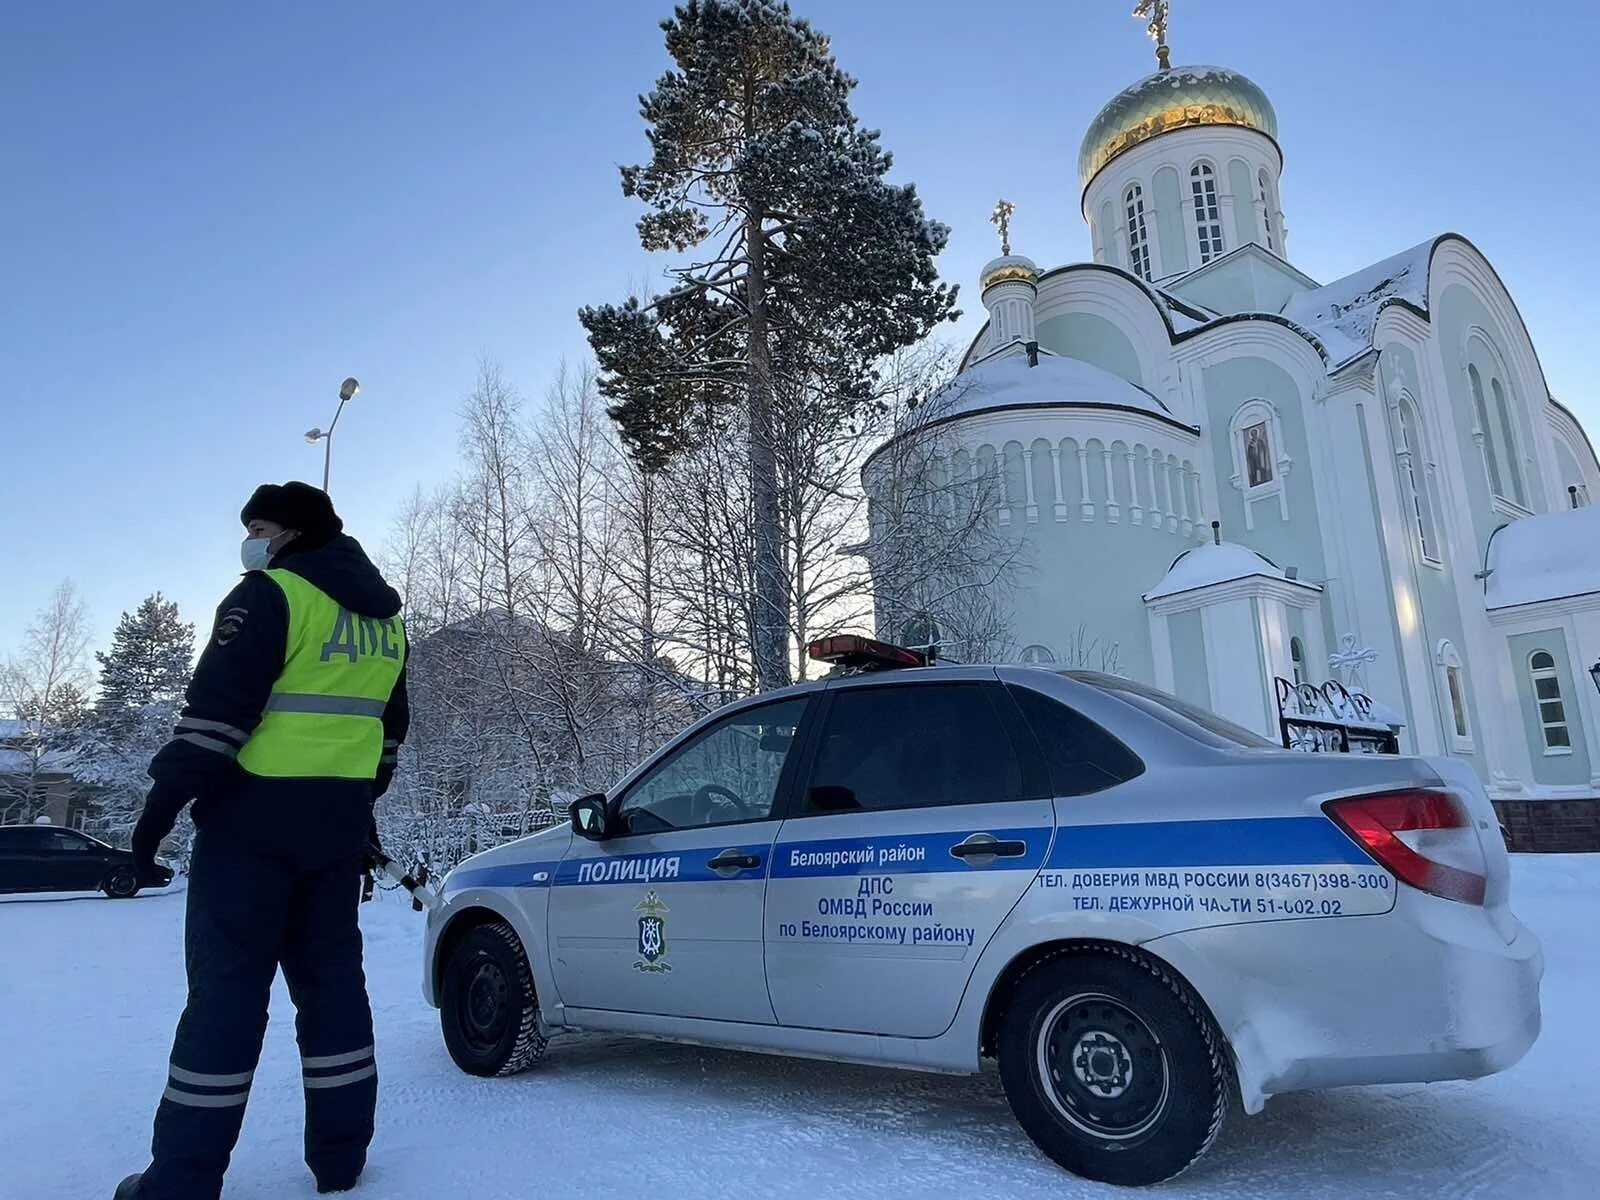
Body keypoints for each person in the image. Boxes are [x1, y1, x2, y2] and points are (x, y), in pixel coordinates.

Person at [116, 482, 409, 1200]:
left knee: (226, 1001)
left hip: (249, 831)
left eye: (259, 527)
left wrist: (154, 822)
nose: (250, 540)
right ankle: (340, 1161)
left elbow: (212, 721)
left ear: (293, 533)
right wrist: (353, 808)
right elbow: (387, 737)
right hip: (335, 834)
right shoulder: (386, 626)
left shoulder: (269, 595)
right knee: (335, 994)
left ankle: (180, 1182)